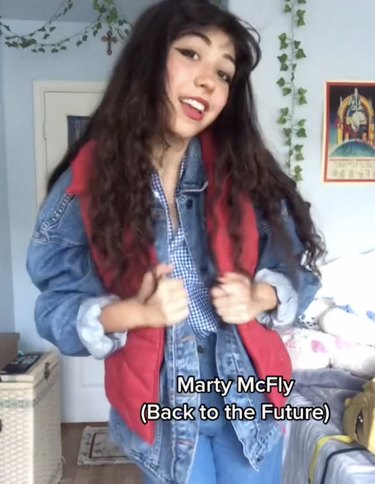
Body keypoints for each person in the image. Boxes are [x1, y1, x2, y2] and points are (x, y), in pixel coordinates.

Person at [26, 1, 325, 482]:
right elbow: (53, 305)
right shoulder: (88, 182)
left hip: (250, 394)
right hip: (163, 406)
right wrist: (132, 314)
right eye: (191, 54)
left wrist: (260, 296)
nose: (209, 80)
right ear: (148, 60)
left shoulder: (244, 172)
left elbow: (301, 274)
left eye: (225, 74)